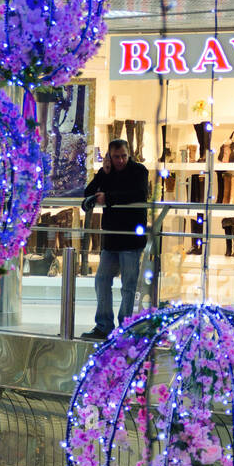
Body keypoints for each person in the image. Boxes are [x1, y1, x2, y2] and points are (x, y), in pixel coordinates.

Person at [80, 139, 149, 340]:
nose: (120, 160)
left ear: (129, 154)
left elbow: (139, 194)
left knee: (128, 285)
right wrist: (104, 172)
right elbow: (88, 193)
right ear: (109, 156)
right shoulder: (106, 173)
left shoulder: (139, 171)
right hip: (111, 239)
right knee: (102, 280)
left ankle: (126, 327)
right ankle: (103, 325)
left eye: (123, 156)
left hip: (130, 238)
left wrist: (108, 198)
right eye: (116, 156)